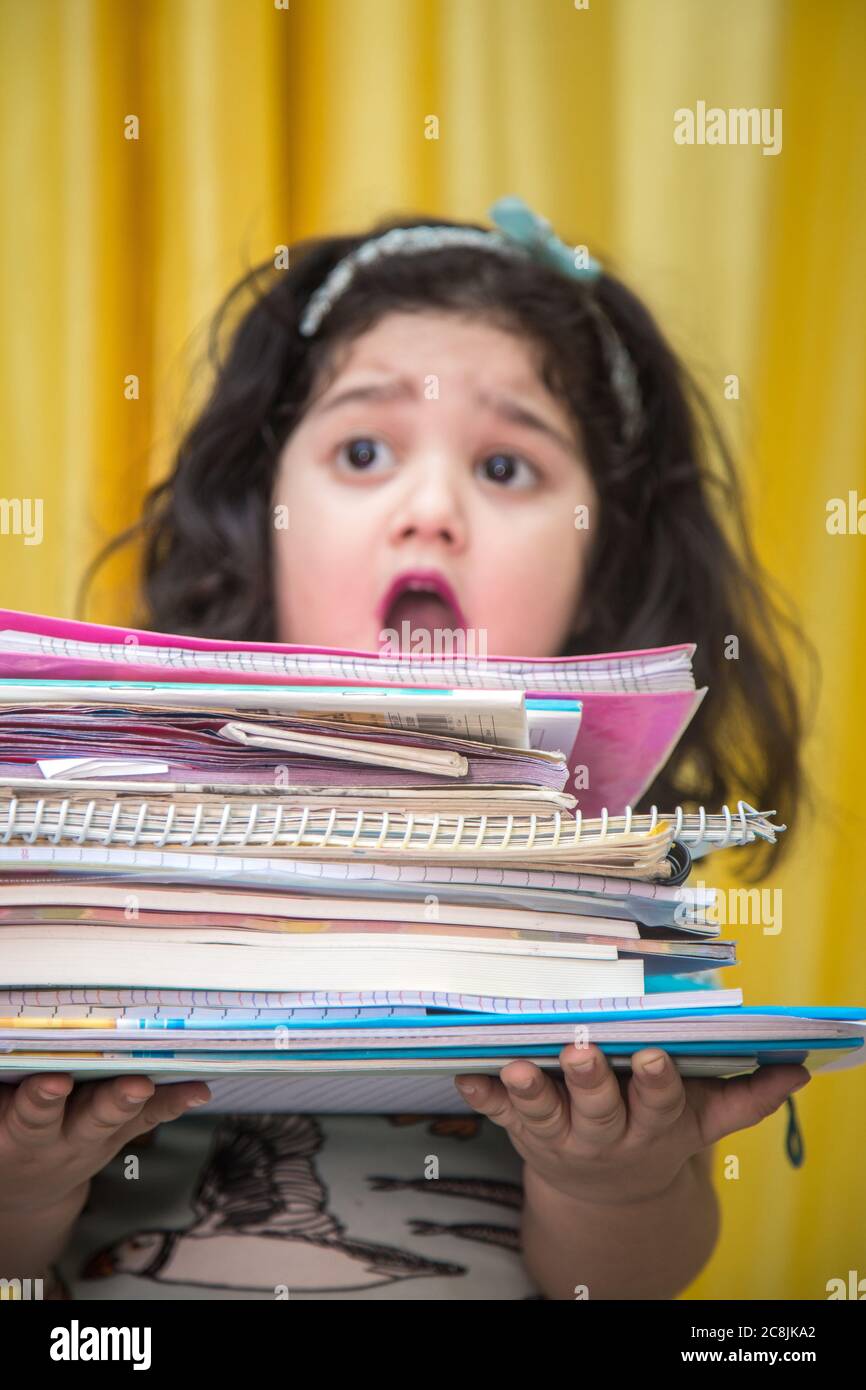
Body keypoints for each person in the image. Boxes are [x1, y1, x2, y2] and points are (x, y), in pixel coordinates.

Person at [0, 197, 813, 1301]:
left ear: (599, 570)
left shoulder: (609, 905)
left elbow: (626, 1288)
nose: (429, 508)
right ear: (262, 520)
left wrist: (611, 1184)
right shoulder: (89, 850)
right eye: (365, 448)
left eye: (506, 467)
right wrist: (23, 1184)